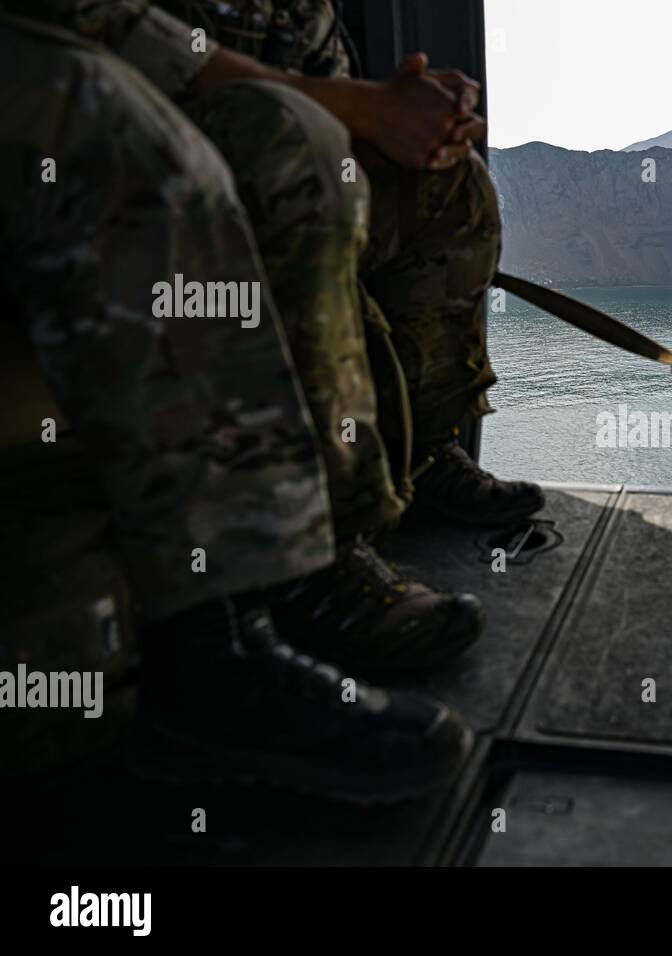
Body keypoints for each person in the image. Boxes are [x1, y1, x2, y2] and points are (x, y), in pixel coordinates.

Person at [0, 0, 534, 800]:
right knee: (281, 143)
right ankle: (246, 617)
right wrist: (357, 110)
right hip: (146, 124)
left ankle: (424, 450)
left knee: (440, 181)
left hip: (230, 127)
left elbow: (327, 81)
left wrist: (414, 120)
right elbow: (114, 33)